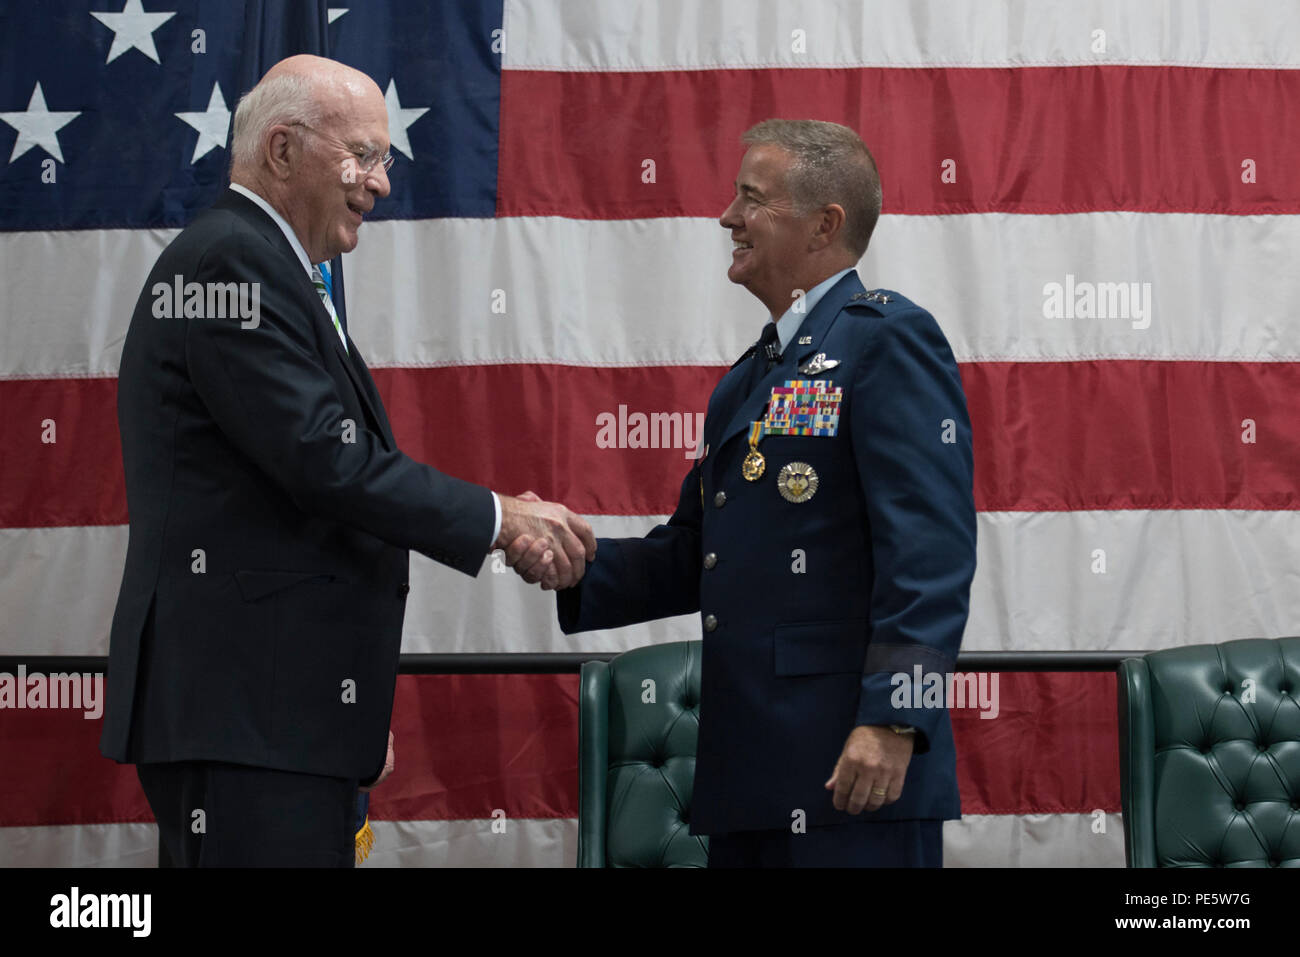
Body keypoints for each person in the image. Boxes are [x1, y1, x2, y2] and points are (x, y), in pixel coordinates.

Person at [99, 55, 593, 867]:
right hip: (245, 719)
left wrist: (342, 699)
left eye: (385, 159)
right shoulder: (231, 262)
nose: (381, 184)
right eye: (361, 156)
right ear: (284, 150)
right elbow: (325, 462)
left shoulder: (273, 264)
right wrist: (502, 519)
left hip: (281, 714)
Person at [539, 119, 977, 867]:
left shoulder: (886, 341)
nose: (726, 217)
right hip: (751, 771)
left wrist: (897, 719)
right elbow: (696, 553)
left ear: (823, 225)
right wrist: (575, 562)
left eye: (751, 198)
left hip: (853, 769)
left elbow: (930, 552)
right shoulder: (749, 380)